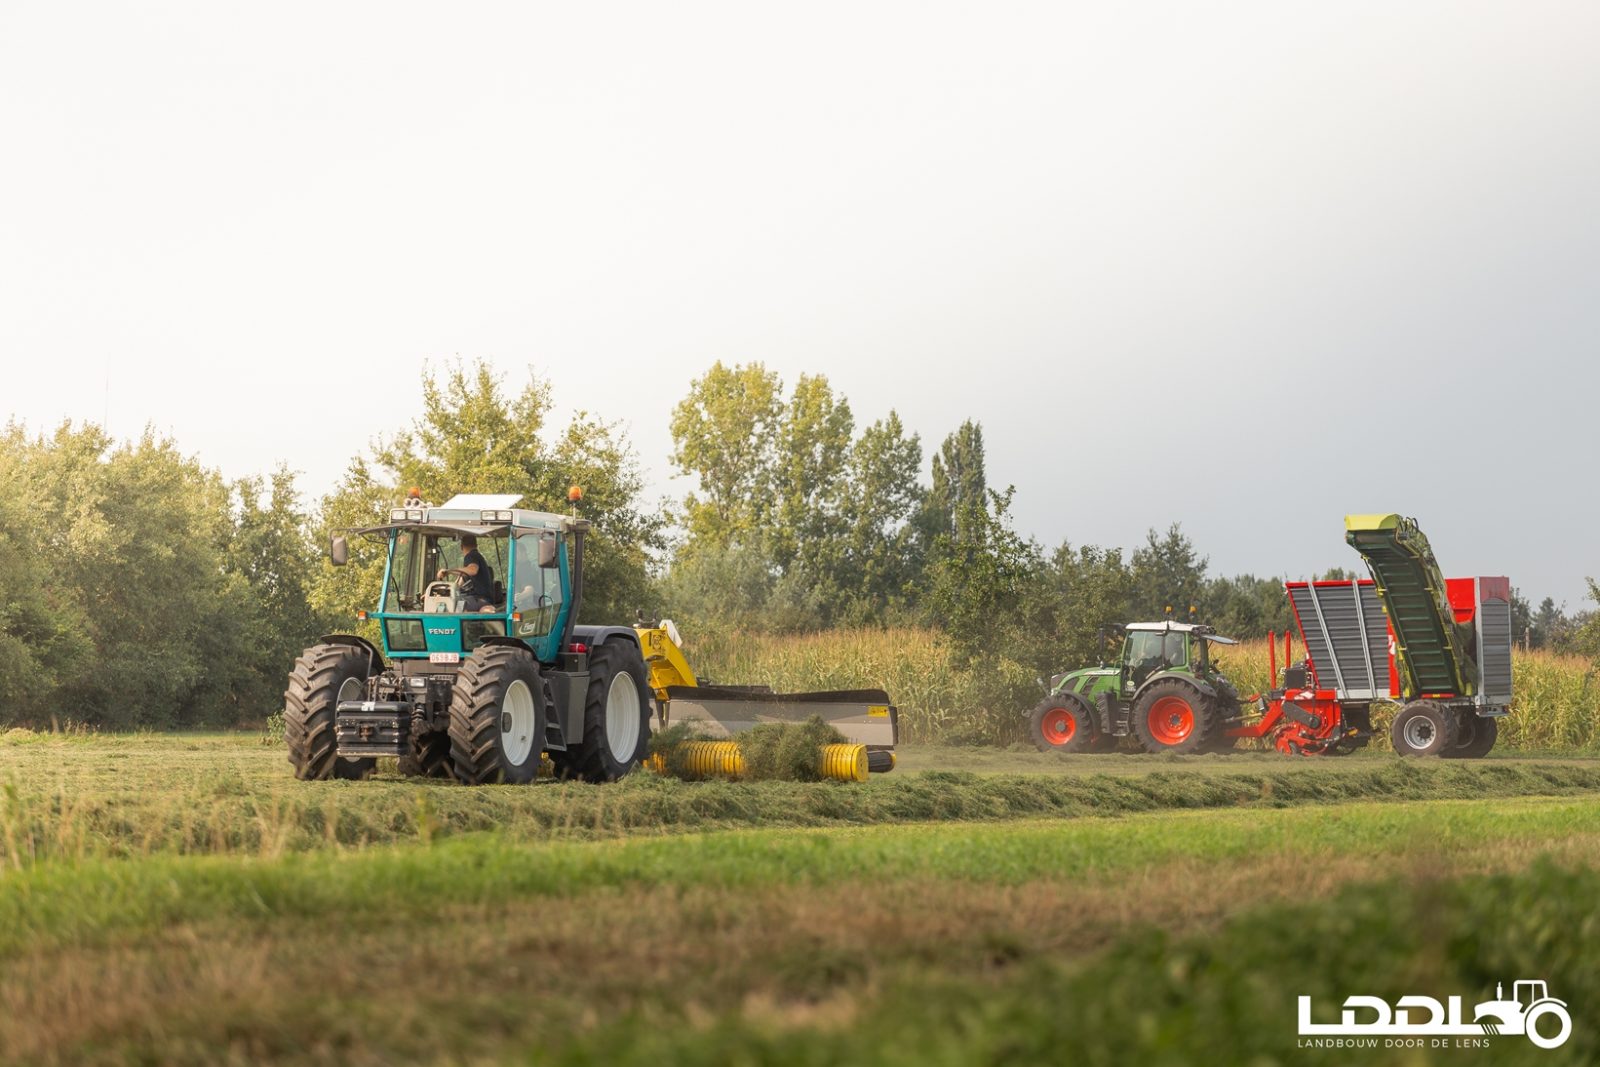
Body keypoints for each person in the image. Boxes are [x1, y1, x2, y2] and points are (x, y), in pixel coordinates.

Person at [437, 535, 496, 611]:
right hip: (483, 599)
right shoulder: (478, 557)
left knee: (454, 605)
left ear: (461, 547)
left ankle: (449, 623)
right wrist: (443, 593)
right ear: (476, 545)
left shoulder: (471, 555)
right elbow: (457, 584)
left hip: (480, 599)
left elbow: (473, 570)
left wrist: (448, 571)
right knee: (454, 600)